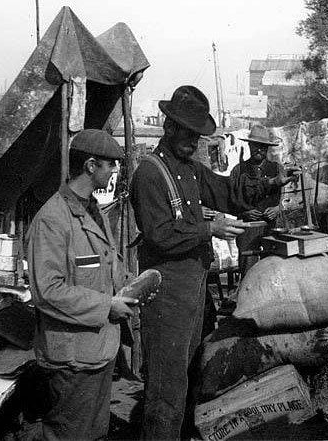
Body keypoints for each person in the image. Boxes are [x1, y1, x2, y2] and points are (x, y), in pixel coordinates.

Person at [130, 86, 263, 440]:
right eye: (187, 133)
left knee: (190, 372)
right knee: (166, 385)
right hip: (166, 294)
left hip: (194, 289)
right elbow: (160, 235)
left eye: (197, 135)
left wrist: (265, 185)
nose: (193, 141)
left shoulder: (190, 169)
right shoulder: (149, 174)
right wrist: (210, 228)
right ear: (168, 127)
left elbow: (226, 192)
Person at [26, 129, 137, 440]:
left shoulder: (92, 209)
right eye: (110, 164)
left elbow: (106, 264)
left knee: (94, 432)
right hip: (72, 360)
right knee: (70, 434)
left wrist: (132, 285)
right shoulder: (53, 219)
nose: (114, 171)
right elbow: (47, 291)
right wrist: (107, 306)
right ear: (90, 165)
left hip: (99, 350)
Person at [231, 125, 299, 275]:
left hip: (273, 228)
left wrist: (278, 209)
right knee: (249, 270)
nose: (259, 150)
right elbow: (231, 201)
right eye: (256, 145)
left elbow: (290, 198)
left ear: (267, 148)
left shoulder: (278, 169)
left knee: (275, 269)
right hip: (247, 229)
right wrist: (245, 212)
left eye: (262, 147)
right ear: (249, 145)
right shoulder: (238, 171)